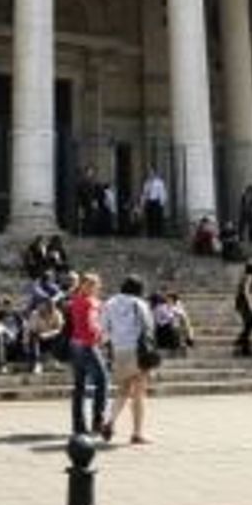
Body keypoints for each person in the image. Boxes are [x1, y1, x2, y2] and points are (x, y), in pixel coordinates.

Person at [101, 275, 156, 444]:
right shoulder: (139, 303)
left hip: (119, 350)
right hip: (137, 350)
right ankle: (137, 433)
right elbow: (149, 328)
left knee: (123, 389)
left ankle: (110, 420)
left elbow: (103, 328)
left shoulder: (109, 303)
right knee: (139, 392)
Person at [67, 273, 110, 438]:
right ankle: (97, 421)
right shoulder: (88, 302)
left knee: (80, 386)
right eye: (92, 285)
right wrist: (101, 337)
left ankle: (78, 425)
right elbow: (91, 326)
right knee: (103, 380)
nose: (95, 288)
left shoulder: (76, 301)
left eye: (96, 285)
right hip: (87, 345)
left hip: (75, 344)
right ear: (84, 285)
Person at [233, 264, 252, 356]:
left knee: (249, 324)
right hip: (244, 303)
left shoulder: (244, 277)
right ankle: (242, 343)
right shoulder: (249, 277)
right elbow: (245, 291)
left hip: (241, 302)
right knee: (251, 323)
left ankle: (243, 343)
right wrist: (250, 304)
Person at [141, 167, 168, 236]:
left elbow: (162, 192)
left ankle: (158, 233)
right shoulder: (146, 183)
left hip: (156, 201)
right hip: (149, 201)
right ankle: (150, 233)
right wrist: (143, 202)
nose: (150, 174)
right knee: (149, 218)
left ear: (154, 173)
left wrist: (162, 202)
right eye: (149, 173)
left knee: (157, 218)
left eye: (151, 173)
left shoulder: (159, 183)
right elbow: (144, 193)